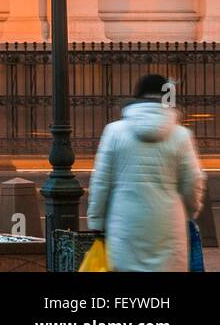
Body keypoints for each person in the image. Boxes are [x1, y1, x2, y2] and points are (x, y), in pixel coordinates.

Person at [86, 73, 205, 272]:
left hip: (125, 222)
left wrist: (96, 221)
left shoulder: (114, 132)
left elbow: (101, 182)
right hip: (168, 224)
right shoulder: (181, 135)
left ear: (137, 96)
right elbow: (193, 181)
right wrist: (191, 210)